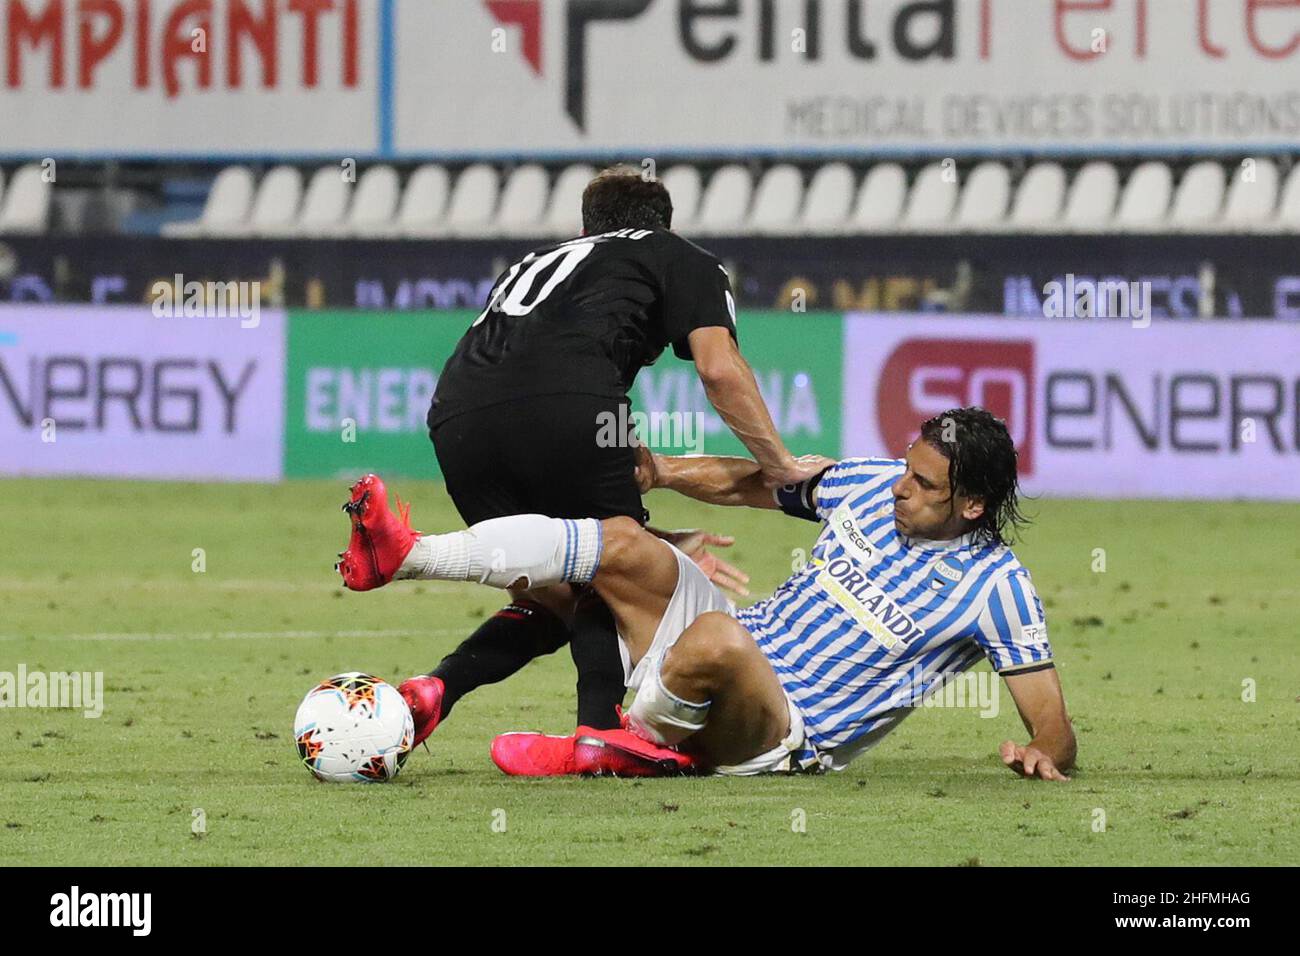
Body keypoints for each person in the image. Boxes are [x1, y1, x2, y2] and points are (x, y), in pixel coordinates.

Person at [349, 165, 825, 750]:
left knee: (552, 587)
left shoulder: (535, 261)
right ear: (664, 222)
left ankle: (437, 689)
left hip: (456, 418)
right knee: (607, 565)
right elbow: (719, 368)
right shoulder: (680, 256)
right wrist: (779, 462)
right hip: (572, 406)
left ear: (588, 224)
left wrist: (661, 541)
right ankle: (598, 732)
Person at [336, 406, 1077, 781]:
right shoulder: (874, 487)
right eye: (906, 469)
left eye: (923, 485)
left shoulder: (997, 589)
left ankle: (625, 746)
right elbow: (759, 481)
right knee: (624, 541)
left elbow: (1054, 726)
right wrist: (662, 473)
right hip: (722, 642)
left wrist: (1043, 753)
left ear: (972, 505)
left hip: (783, 732)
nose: (900, 488)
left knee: (719, 643)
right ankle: (408, 555)